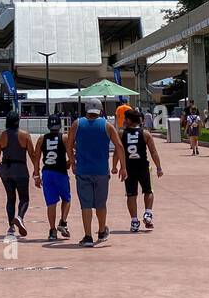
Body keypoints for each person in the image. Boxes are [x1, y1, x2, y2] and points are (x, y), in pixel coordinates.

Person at [67, 96, 124, 248]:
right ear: (100, 110)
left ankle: (87, 237)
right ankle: (101, 231)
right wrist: (122, 167)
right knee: (101, 204)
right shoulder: (107, 125)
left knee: (85, 205)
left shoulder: (77, 124)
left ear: (86, 109)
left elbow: (69, 144)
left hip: (83, 170)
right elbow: (119, 145)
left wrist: (72, 161)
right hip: (101, 171)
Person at [0, 111, 39, 238]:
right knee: (24, 198)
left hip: (6, 171)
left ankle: (11, 226)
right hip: (20, 169)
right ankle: (19, 217)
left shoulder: (1, 136)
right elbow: (32, 154)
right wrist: (37, 171)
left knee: (10, 199)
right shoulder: (25, 135)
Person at [115, 107, 163, 231]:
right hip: (143, 167)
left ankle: (134, 221)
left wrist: (115, 166)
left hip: (129, 169)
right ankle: (148, 213)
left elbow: (117, 151)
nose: (124, 121)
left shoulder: (121, 133)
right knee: (148, 191)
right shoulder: (145, 133)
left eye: (126, 118)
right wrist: (158, 167)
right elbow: (153, 152)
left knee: (131, 195)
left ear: (130, 120)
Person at [34, 114, 72, 240]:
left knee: (51, 203)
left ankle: (52, 230)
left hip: (47, 173)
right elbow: (71, 155)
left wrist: (36, 175)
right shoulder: (64, 138)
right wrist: (70, 163)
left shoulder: (41, 139)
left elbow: (36, 157)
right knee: (66, 199)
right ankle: (63, 222)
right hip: (60, 172)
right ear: (59, 126)